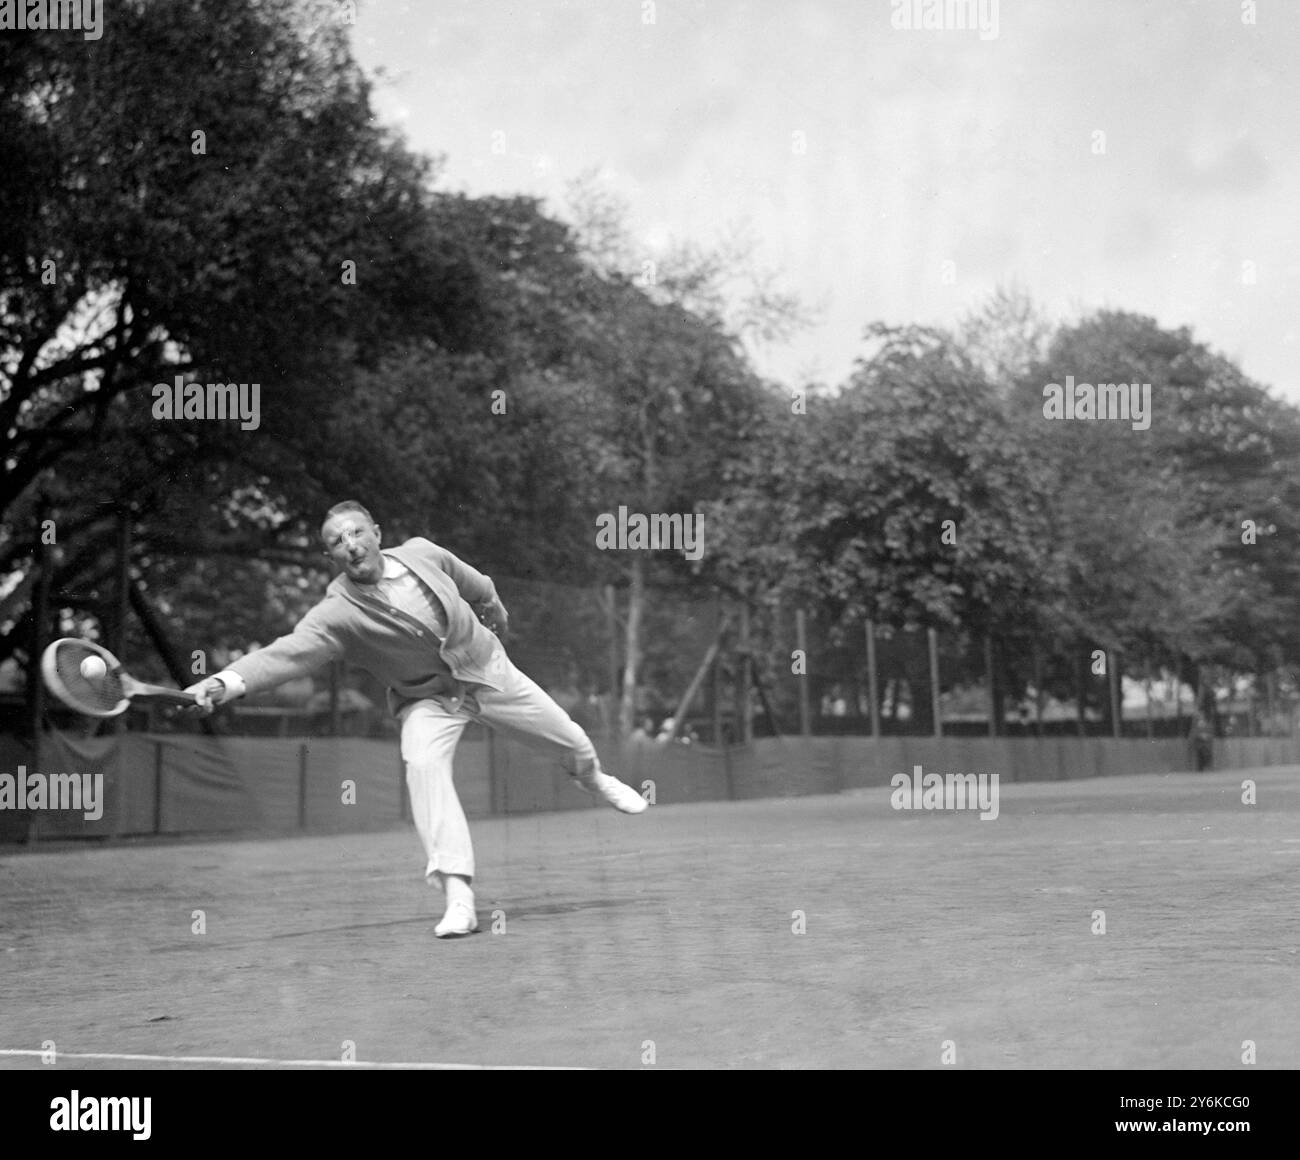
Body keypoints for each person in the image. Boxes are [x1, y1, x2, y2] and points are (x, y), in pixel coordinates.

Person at [184, 501, 647, 938]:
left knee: (573, 739)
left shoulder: (424, 553)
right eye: (337, 540)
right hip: (429, 698)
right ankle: (459, 898)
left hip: (488, 670)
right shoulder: (337, 613)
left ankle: (596, 780)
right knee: (422, 764)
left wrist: (495, 611)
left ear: (377, 534)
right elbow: (287, 653)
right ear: (332, 555)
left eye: (356, 532)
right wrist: (223, 683)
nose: (350, 544)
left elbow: (477, 584)